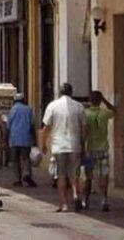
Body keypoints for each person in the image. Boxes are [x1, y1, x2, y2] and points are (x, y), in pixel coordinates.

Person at [41, 83, 86, 212]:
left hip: (59, 145)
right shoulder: (79, 107)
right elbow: (84, 128)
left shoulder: (53, 106)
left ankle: (64, 204)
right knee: (74, 174)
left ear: (59, 92)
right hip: (74, 144)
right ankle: (76, 195)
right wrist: (83, 144)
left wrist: (43, 143)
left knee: (61, 174)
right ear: (71, 92)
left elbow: (46, 127)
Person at [84, 90, 115, 212]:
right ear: (100, 101)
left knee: (88, 176)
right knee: (104, 175)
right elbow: (115, 110)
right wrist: (105, 101)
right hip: (103, 149)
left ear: (90, 100)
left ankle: (85, 200)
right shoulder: (105, 113)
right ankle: (104, 199)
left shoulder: (85, 114)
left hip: (89, 149)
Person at [7, 93, 37, 188]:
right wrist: (34, 138)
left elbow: (8, 126)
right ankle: (26, 174)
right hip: (26, 138)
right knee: (26, 158)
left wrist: (6, 139)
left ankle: (18, 179)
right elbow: (32, 125)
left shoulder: (12, 110)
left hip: (14, 139)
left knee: (15, 160)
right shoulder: (29, 110)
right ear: (24, 100)